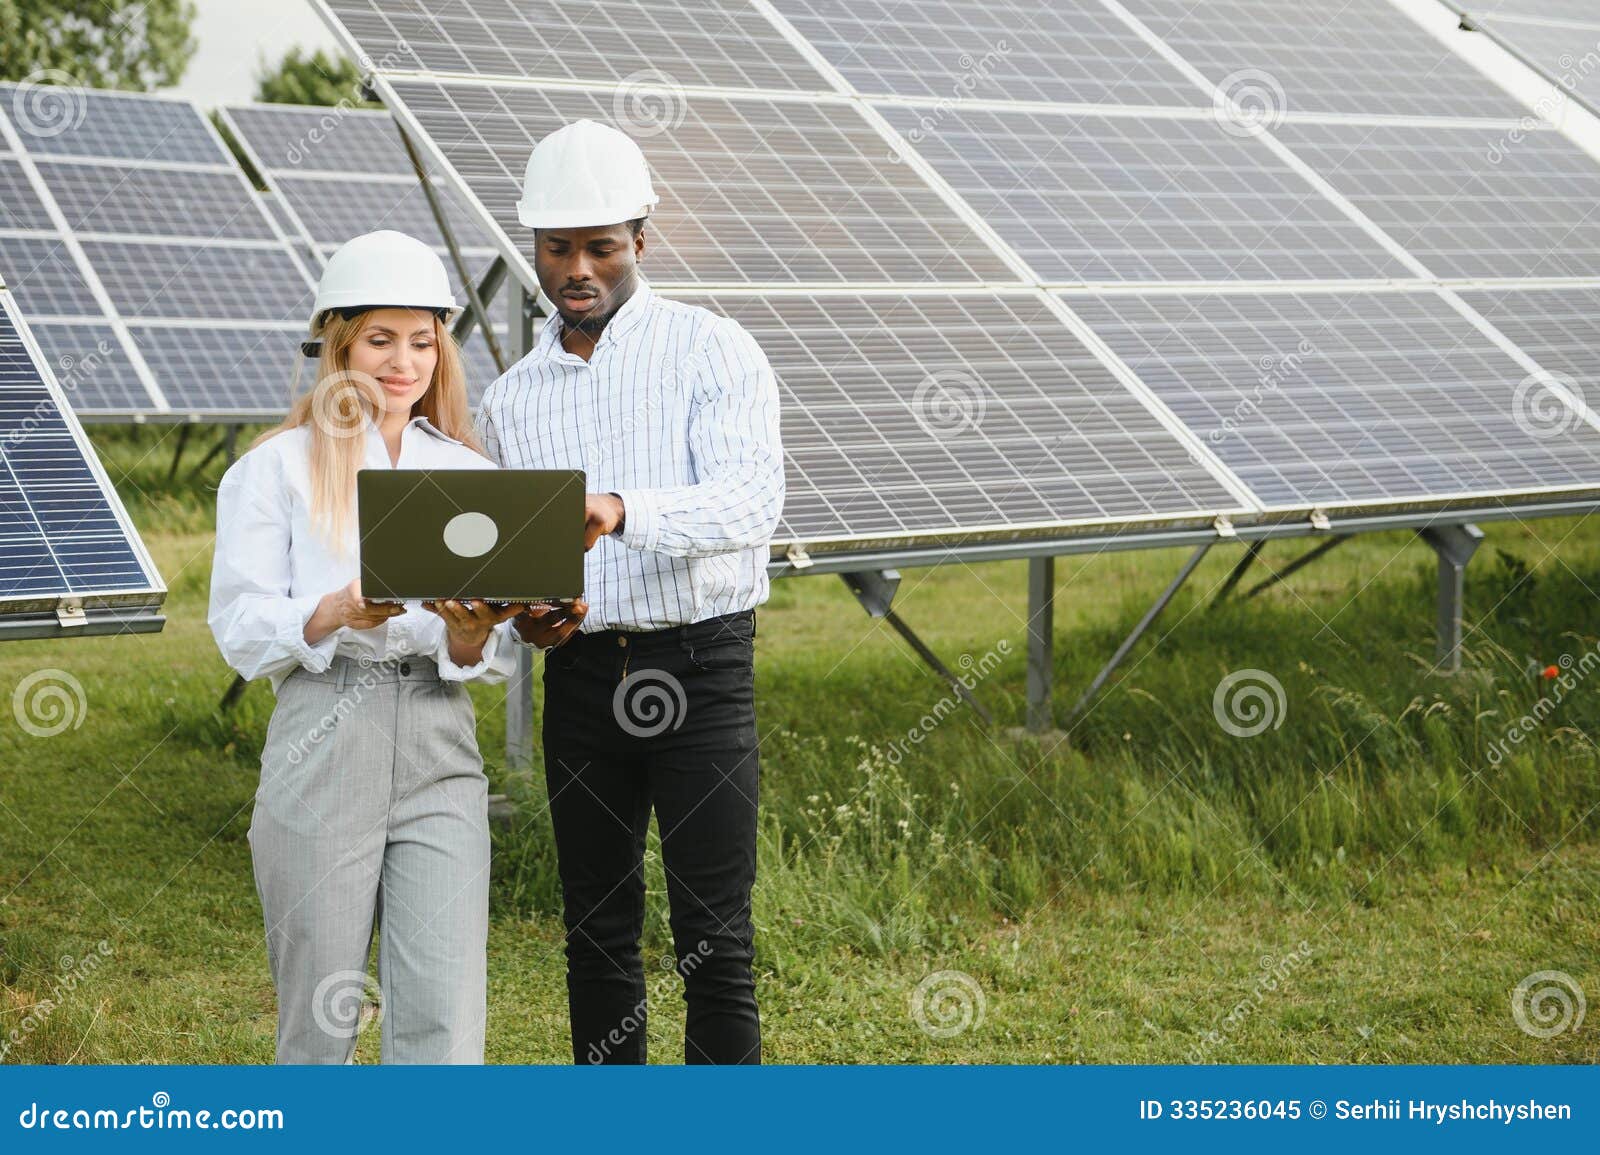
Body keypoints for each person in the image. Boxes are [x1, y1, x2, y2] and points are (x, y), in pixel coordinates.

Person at [478, 119, 785, 1065]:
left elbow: (750, 501)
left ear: (640, 243)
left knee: (712, 935)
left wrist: (617, 509)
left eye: (601, 246)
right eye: (559, 247)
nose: (579, 268)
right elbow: (518, 565)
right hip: (579, 680)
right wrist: (536, 615)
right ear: (533, 248)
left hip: (700, 666)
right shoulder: (511, 399)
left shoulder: (712, 348)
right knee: (597, 933)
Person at [208, 230, 524, 1064]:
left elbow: (477, 653)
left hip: (438, 733)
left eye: (422, 341)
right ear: (339, 341)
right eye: (381, 339)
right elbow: (239, 625)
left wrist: (467, 632)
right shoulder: (275, 468)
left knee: (445, 1012)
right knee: (319, 1010)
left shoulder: (468, 472)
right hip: (324, 726)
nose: (403, 361)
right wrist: (339, 608)